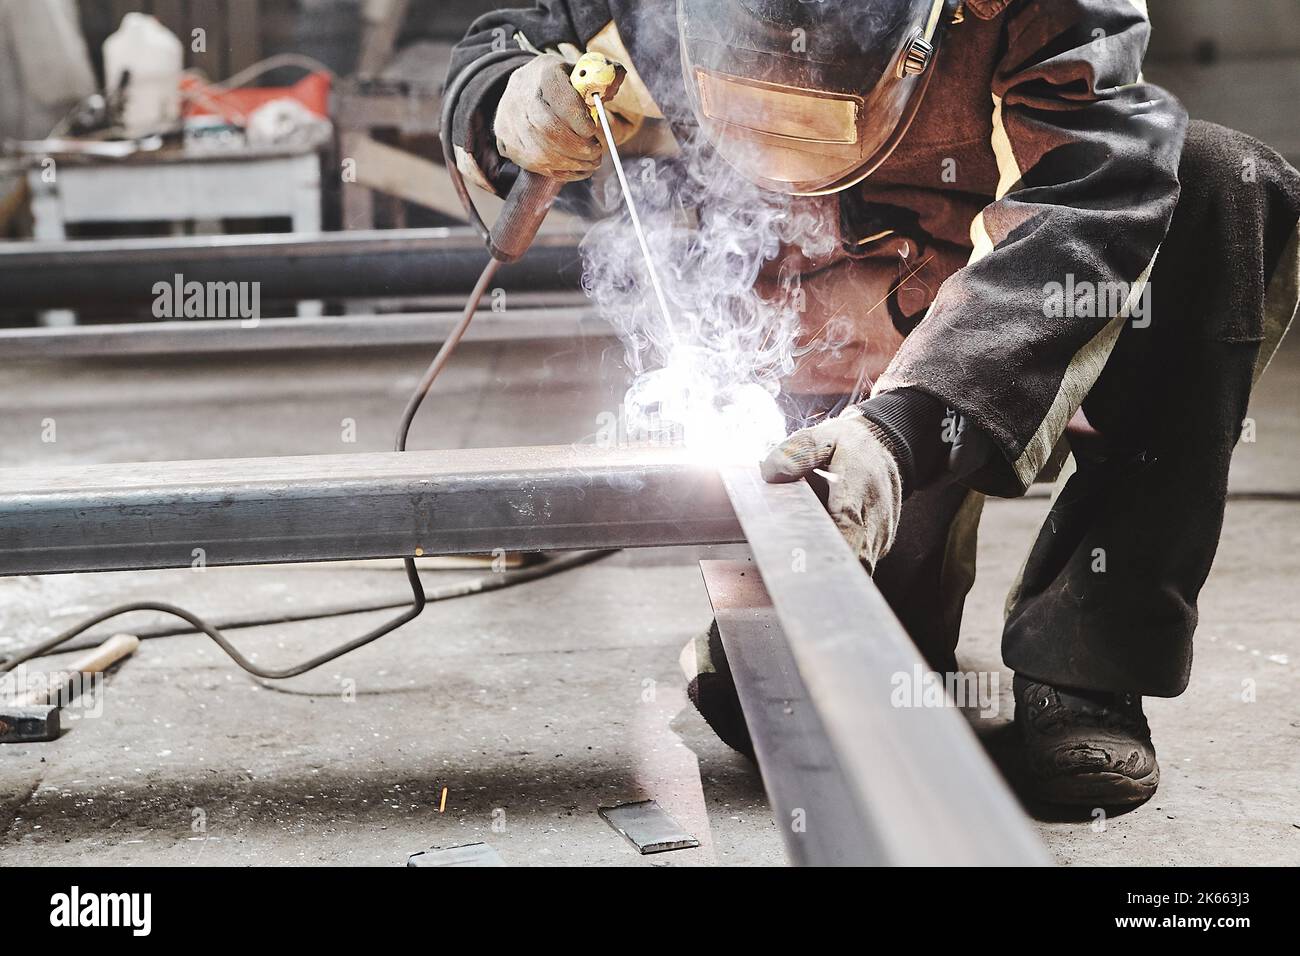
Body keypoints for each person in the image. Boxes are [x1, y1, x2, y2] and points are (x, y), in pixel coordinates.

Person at [447, 0, 1300, 807]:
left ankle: (1087, 666)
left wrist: (900, 432)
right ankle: (883, 603)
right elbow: (502, 37)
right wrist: (503, 99)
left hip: (989, 312)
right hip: (805, 337)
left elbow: (1097, 188)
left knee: (1215, 183)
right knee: (817, 701)